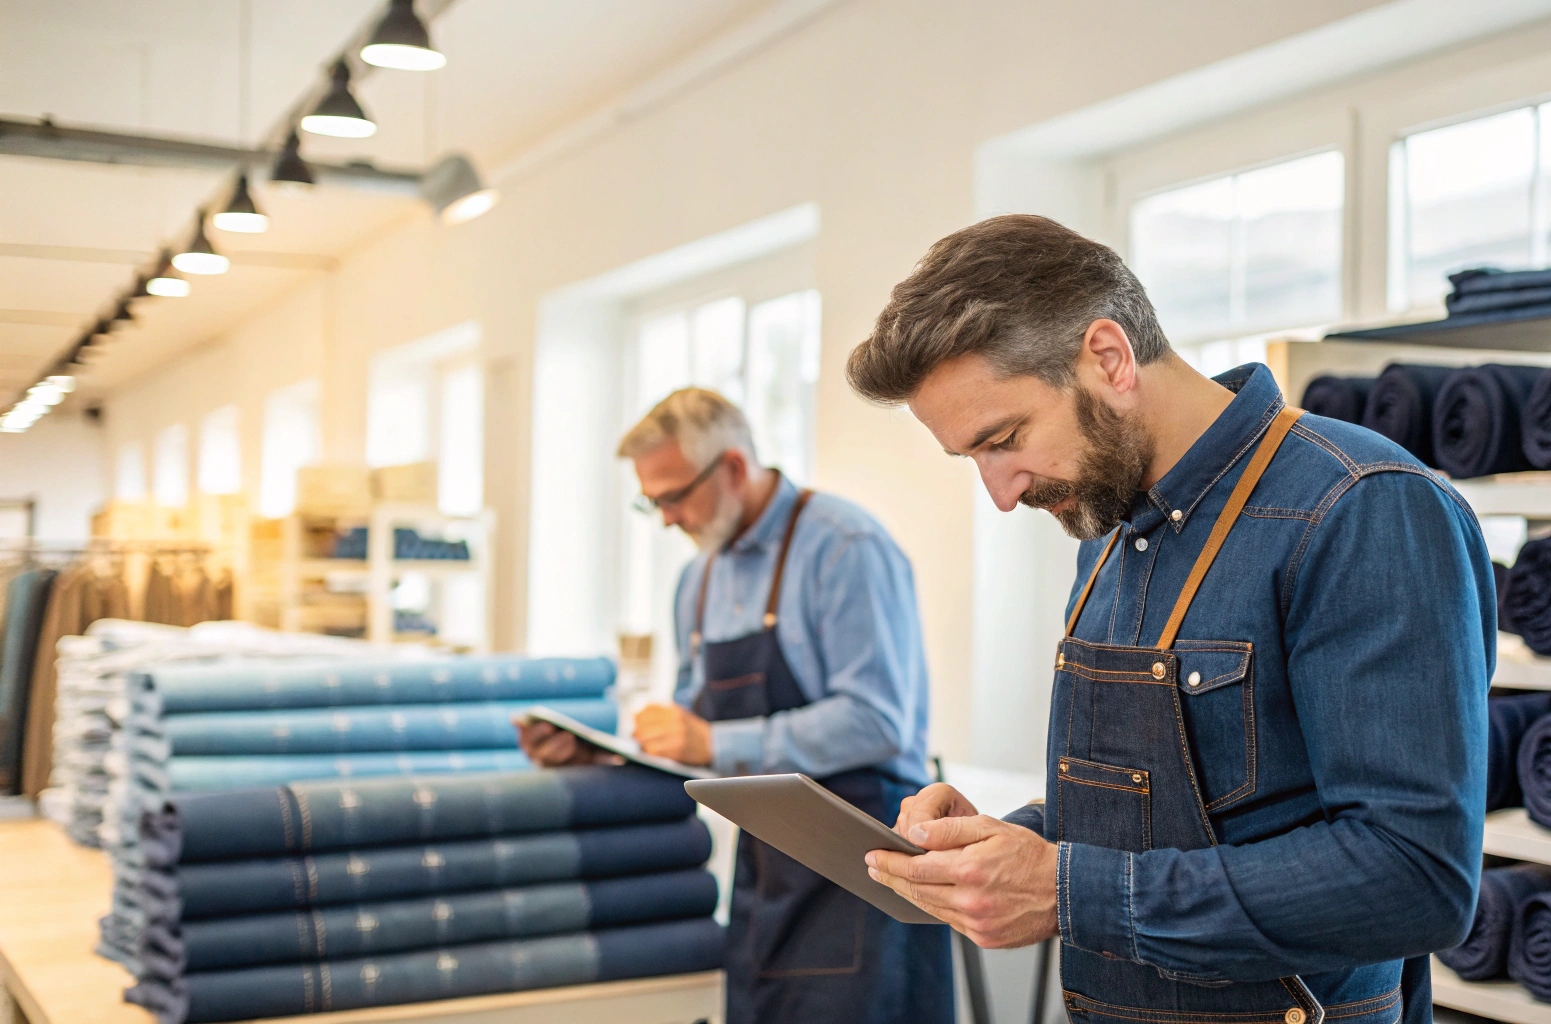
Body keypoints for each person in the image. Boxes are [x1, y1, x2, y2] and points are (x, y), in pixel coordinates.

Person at [846, 215, 1493, 1024]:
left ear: (1109, 358)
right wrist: (1004, 851)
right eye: (975, 459)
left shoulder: (1361, 507)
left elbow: (1415, 879)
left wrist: (1063, 889)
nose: (1002, 492)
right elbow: (1186, 808)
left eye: (1004, 440)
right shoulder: (1110, 533)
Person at [516, 388, 952, 1024]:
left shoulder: (844, 546)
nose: (665, 518)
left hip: (867, 874)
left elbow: (878, 721)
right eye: (652, 502)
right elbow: (690, 728)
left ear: (734, 469)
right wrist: (599, 755)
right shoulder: (698, 579)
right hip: (766, 874)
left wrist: (716, 746)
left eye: (673, 496)